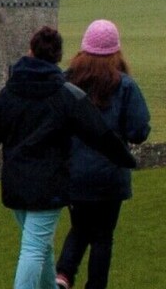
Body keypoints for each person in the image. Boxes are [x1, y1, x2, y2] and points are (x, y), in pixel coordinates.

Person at [0, 26, 137, 289]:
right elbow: (99, 133)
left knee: (41, 246)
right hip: (50, 187)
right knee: (33, 248)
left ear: (30, 51)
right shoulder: (66, 96)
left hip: (15, 185)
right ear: (57, 57)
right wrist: (126, 159)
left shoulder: (8, 95)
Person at [54, 20, 151, 289]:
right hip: (111, 175)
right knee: (103, 236)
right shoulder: (125, 86)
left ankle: (63, 275)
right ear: (115, 52)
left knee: (80, 227)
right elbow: (138, 130)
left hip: (75, 173)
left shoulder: (65, 83)